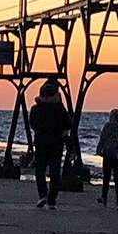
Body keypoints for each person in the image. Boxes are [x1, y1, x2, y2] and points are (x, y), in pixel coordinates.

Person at [29, 81, 71, 209]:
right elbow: (68, 124)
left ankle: (42, 195)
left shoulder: (36, 108)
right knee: (55, 172)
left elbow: (33, 125)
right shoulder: (60, 109)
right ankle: (52, 199)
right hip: (56, 143)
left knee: (40, 170)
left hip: (41, 142)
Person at [96, 108, 118, 208]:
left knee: (106, 177)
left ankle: (104, 197)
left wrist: (98, 150)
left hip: (108, 154)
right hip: (115, 155)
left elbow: (102, 139)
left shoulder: (107, 126)